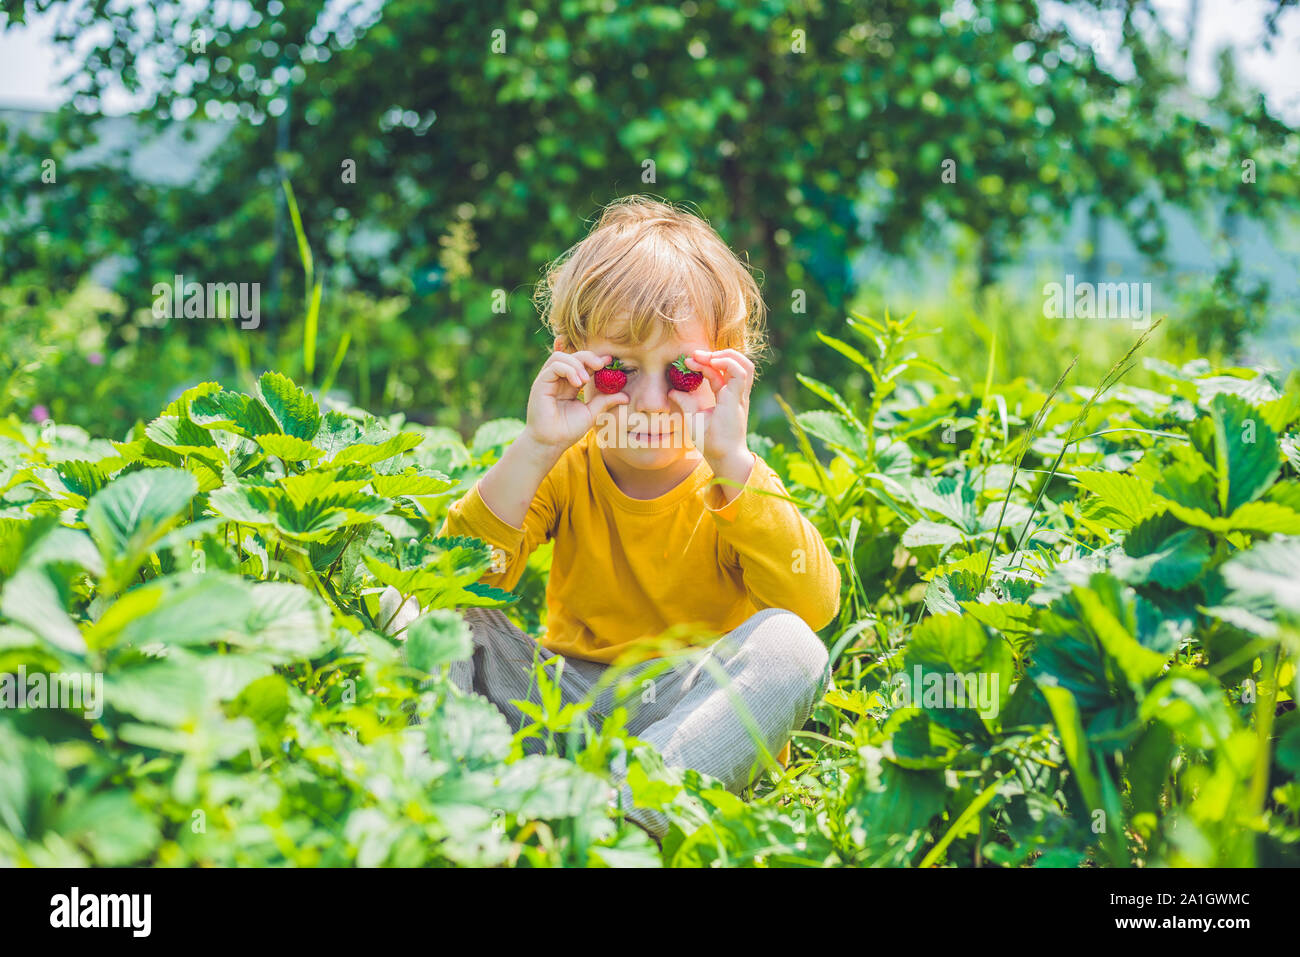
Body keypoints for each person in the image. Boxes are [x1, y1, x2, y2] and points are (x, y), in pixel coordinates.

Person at [392, 195, 840, 841]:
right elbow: (453, 579)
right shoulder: (567, 464)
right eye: (620, 369)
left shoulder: (732, 478)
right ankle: (445, 799)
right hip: (558, 703)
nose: (649, 399)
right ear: (571, 359)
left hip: (687, 717)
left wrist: (733, 460)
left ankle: (621, 818)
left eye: (683, 373)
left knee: (792, 647)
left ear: (728, 370)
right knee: (418, 612)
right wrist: (538, 444)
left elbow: (815, 605)